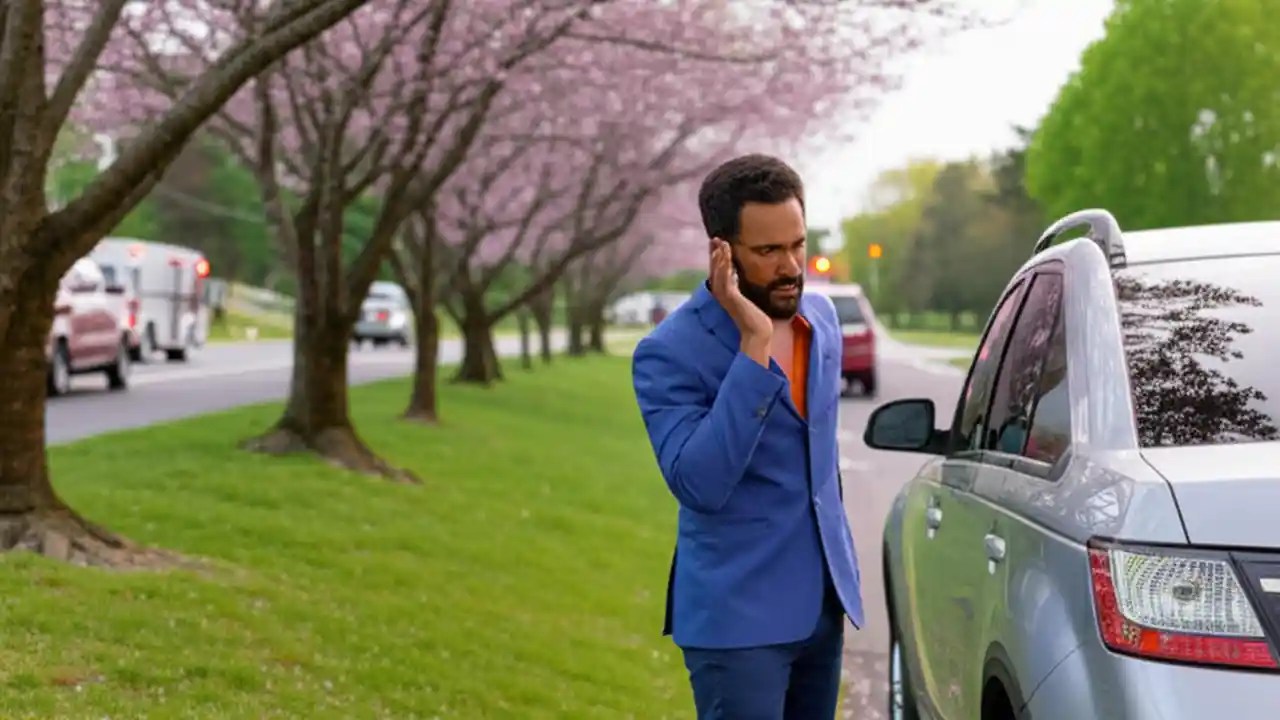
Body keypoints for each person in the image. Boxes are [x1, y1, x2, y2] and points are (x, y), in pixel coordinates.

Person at [631, 154, 863, 719]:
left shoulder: (821, 320)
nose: (791, 266)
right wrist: (753, 348)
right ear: (723, 252)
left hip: (823, 604)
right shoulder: (668, 352)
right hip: (737, 621)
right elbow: (700, 483)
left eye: (798, 244)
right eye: (768, 251)